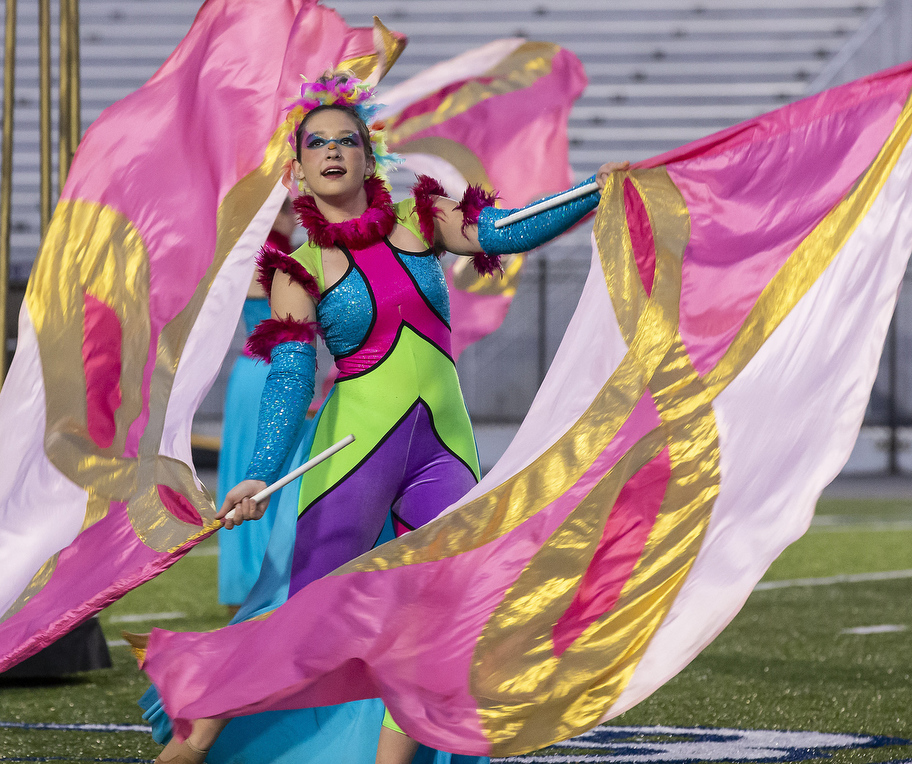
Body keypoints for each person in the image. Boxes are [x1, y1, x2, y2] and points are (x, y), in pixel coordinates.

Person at [141, 72, 628, 764]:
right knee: (303, 622)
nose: (334, 152)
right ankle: (194, 743)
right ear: (297, 169)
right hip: (350, 454)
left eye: (348, 140)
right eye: (318, 144)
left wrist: (593, 193)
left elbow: (505, 230)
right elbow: (288, 379)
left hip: (445, 451)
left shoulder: (421, 222)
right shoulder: (297, 267)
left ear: (371, 158)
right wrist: (255, 475)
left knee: (444, 607)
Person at [216, 202, 297, 616]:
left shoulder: (269, 258)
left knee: (262, 476)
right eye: (284, 210)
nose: (291, 218)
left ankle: (254, 581)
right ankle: (262, 584)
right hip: (270, 377)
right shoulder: (273, 262)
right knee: (264, 479)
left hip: (257, 376)